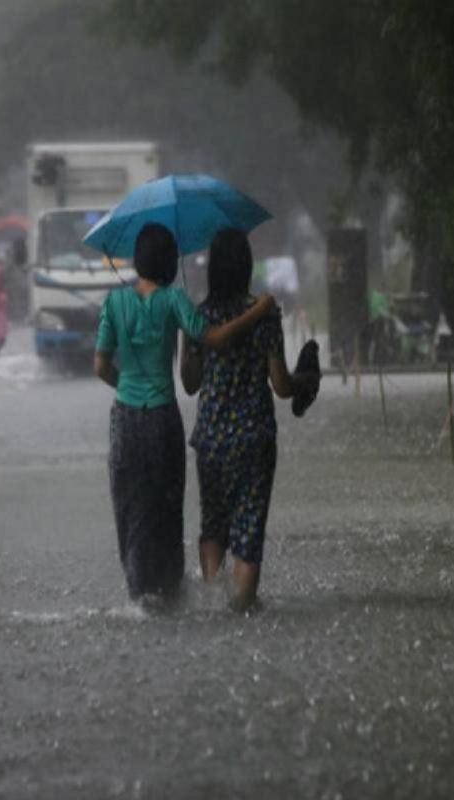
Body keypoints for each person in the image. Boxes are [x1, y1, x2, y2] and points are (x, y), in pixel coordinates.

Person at [94, 223, 276, 606]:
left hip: (125, 419)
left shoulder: (113, 303)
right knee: (166, 506)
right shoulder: (175, 301)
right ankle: (170, 591)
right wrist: (257, 310)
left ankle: (139, 593)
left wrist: (127, 387)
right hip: (162, 418)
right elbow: (215, 339)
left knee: (130, 506)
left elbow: (100, 366)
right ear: (167, 261)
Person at [180, 229, 317, 613]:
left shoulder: (198, 317)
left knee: (213, 523)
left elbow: (190, 385)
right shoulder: (264, 315)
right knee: (248, 528)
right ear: (245, 268)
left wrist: (188, 342)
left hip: (209, 437)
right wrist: (306, 380)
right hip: (254, 438)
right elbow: (281, 385)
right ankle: (241, 605)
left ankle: (212, 600)